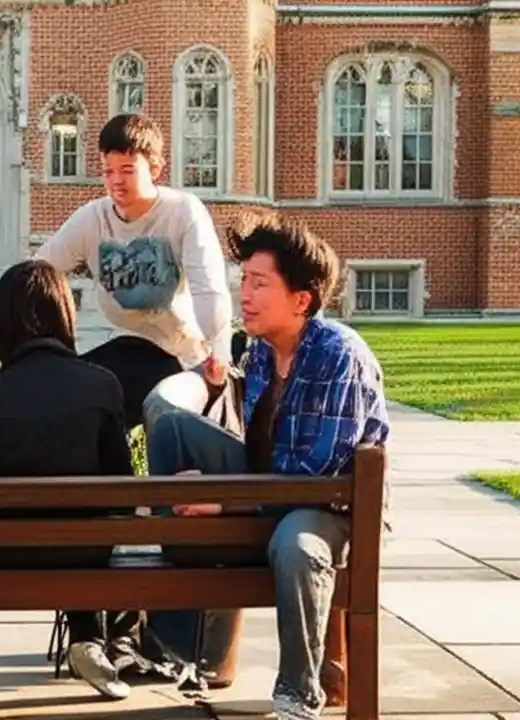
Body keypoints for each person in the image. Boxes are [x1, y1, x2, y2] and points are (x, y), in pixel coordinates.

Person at [143, 214, 390, 720]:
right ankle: (181, 622)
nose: (245, 296)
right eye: (243, 282)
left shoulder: (339, 354)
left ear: (302, 299)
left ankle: (297, 695)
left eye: (259, 284)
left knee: (295, 546)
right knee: (169, 423)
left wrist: (221, 500)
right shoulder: (261, 351)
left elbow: (316, 476)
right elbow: (254, 443)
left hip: (331, 508)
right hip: (266, 484)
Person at [0, 259, 137, 708]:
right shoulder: (104, 385)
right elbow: (123, 488)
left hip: (1, 553)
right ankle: (87, 640)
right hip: (85, 554)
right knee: (80, 522)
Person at [34, 112, 233, 430]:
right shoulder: (93, 218)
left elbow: (208, 287)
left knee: (161, 408)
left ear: (156, 168)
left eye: (127, 170)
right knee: (61, 400)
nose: (115, 180)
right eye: (107, 171)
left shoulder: (182, 211)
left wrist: (219, 356)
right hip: (123, 346)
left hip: (180, 355)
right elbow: (37, 273)